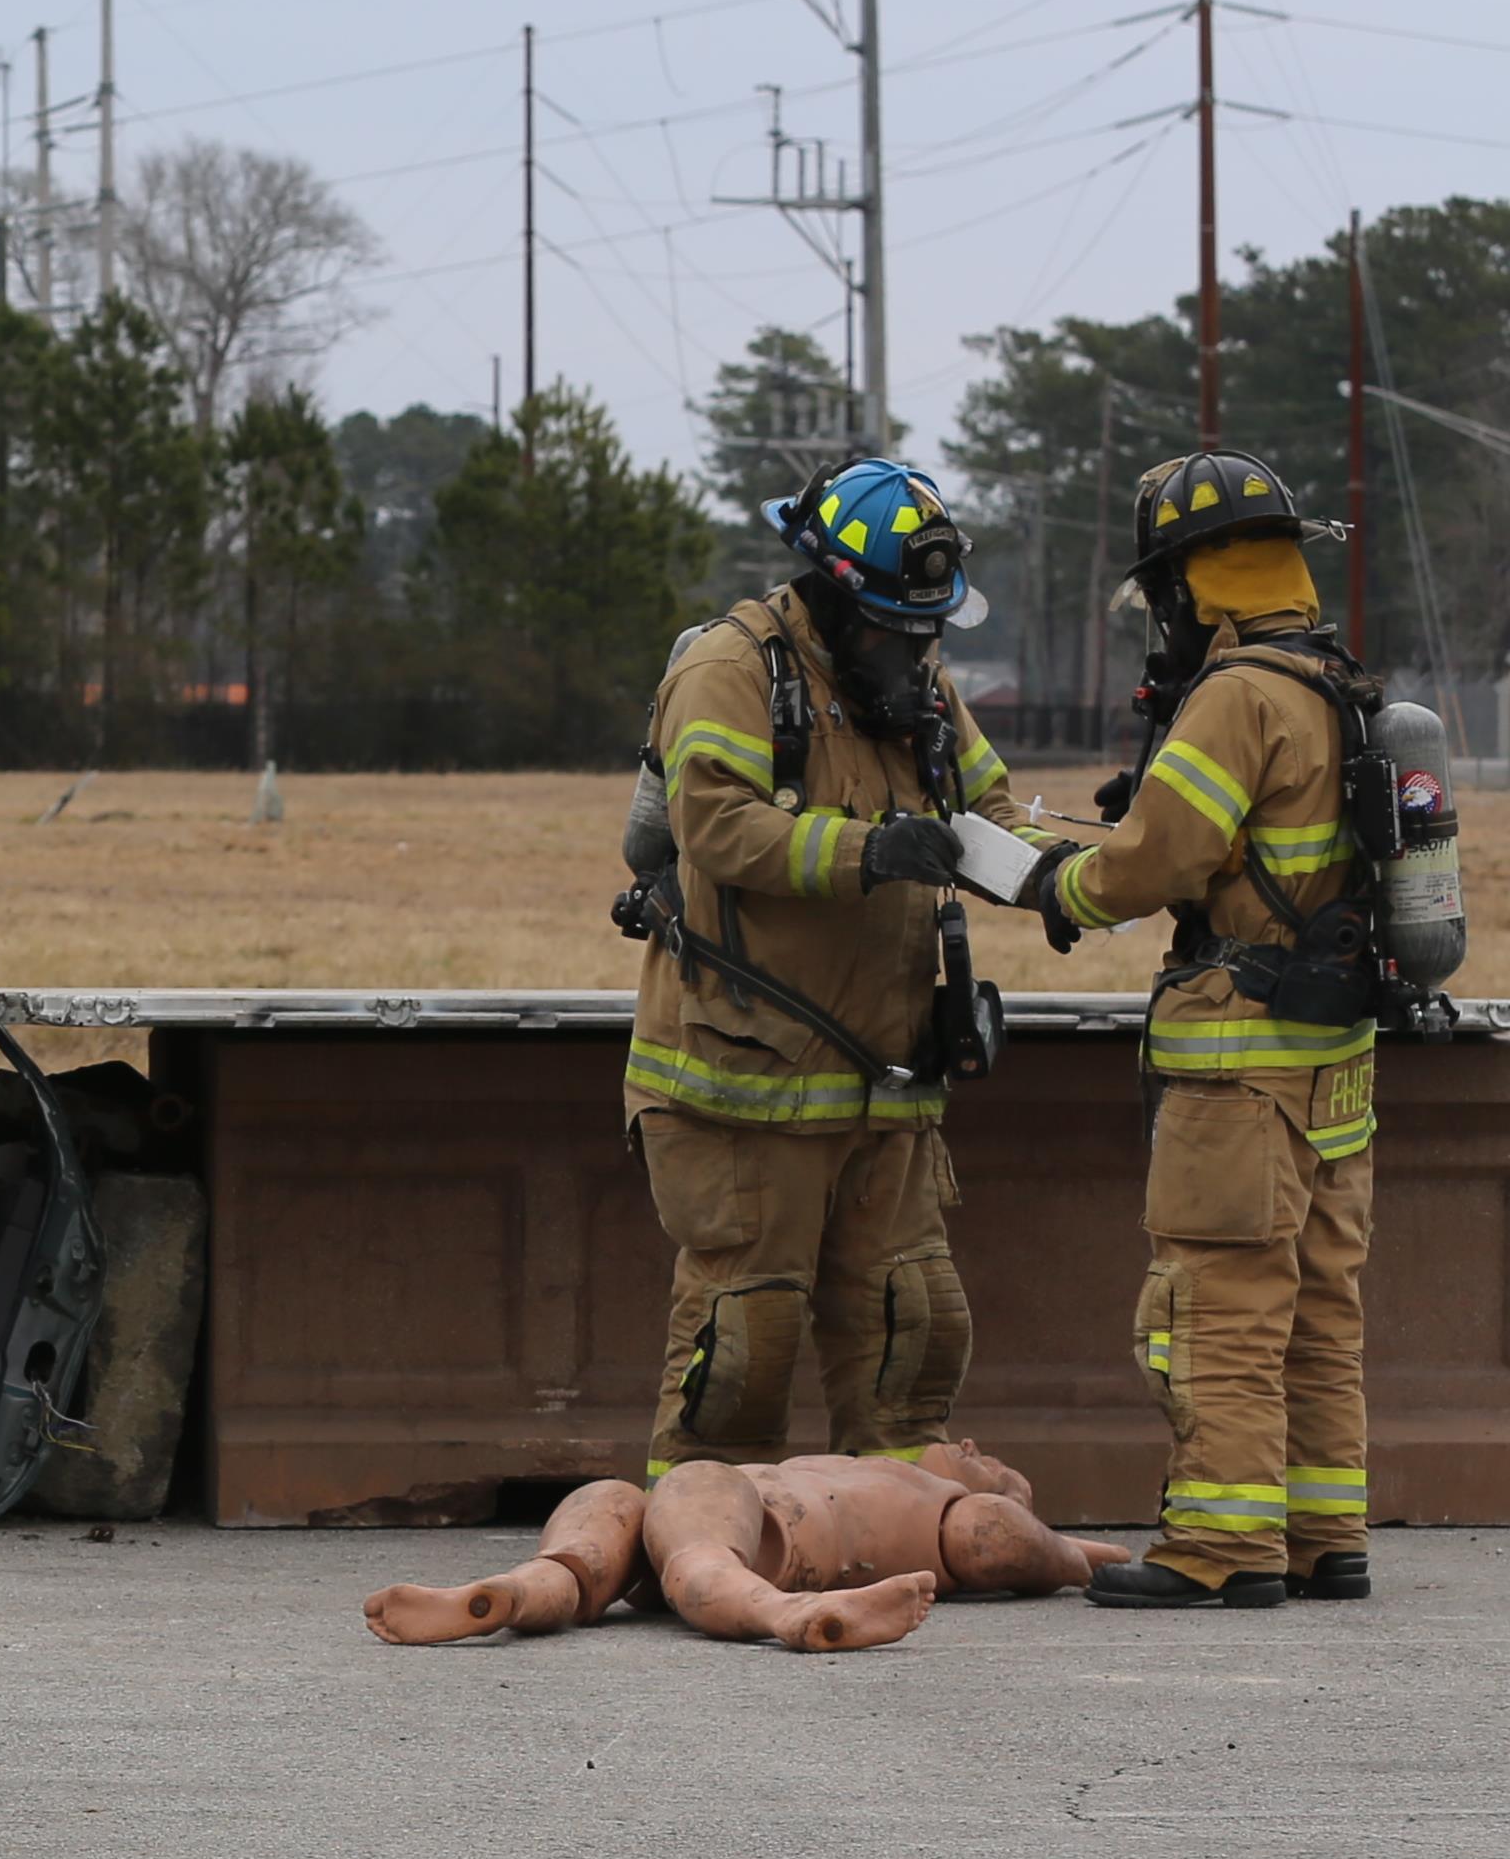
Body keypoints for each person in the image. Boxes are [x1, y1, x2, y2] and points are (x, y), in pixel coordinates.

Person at [616, 454, 1016, 1477]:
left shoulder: (915, 682)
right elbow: (716, 827)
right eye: (898, 623)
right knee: (745, 1347)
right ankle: (699, 1546)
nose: (919, 646)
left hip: (888, 1082)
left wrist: (1060, 878)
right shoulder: (730, 670)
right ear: (832, 596)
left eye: (931, 625)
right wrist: (867, 850)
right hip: (746, 1077)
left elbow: (994, 809)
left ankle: (888, 1536)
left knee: (910, 1332)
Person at [1034, 450, 1386, 1606]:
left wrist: (1060, 891)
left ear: (1193, 585)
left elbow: (1161, 859)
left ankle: (1220, 1551)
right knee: (1321, 1305)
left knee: (1218, 1305)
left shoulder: (1237, 696)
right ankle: (1323, 1534)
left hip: (1240, 1062)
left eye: (1162, 595)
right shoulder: (1336, 680)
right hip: (1335, 1057)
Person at [364, 1441, 1107, 1652]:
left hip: (743, 1529)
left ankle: (790, 1615)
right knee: (597, 1530)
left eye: (993, 1464)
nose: (972, 1447)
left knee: (693, 1531)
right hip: (696, 1521)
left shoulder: (960, 1514)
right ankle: (503, 1596)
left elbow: (1032, 1547)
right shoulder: (885, 1462)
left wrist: (1076, 1558)